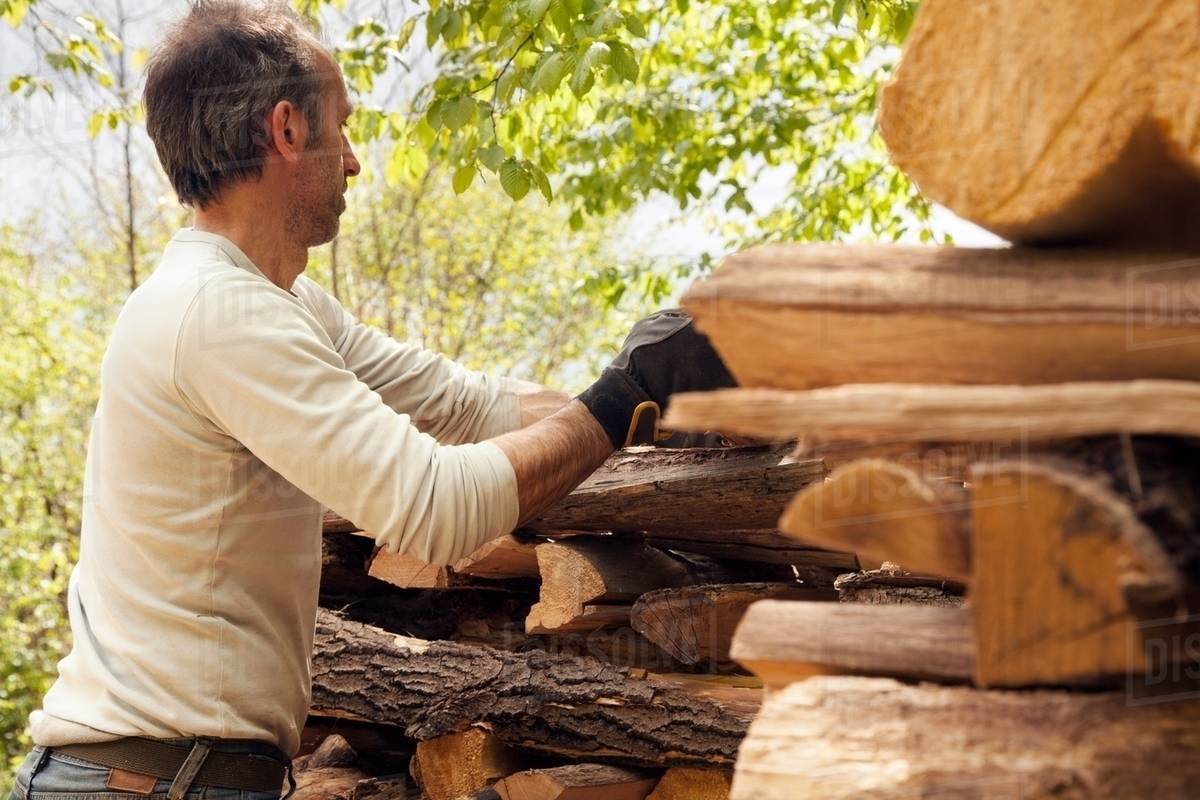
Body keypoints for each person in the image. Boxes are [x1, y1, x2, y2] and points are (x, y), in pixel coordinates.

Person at [6, 2, 734, 799]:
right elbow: (434, 507)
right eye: (341, 127)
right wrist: (623, 396)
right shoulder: (217, 314)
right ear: (286, 131)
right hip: (148, 783)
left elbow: (470, 405)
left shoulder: (275, 303)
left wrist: (664, 408)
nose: (352, 161)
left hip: (170, 778)